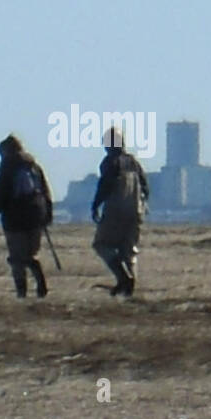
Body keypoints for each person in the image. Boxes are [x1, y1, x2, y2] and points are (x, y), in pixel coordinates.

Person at [0, 134, 53, 298]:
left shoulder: (7, 167)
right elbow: (45, 191)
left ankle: (22, 292)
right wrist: (47, 214)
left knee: (17, 258)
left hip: (15, 218)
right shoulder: (34, 166)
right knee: (31, 253)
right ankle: (39, 281)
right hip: (37, 215)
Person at [91, 126, 149, 296]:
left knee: (101, 245)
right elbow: (145, 188)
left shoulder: (110, 162)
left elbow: (105, 186)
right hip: (135, 212)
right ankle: (129, 287)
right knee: (129, 250)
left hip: (115, 211)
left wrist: (96, 205)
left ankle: (123, 277)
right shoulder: (134, 163)